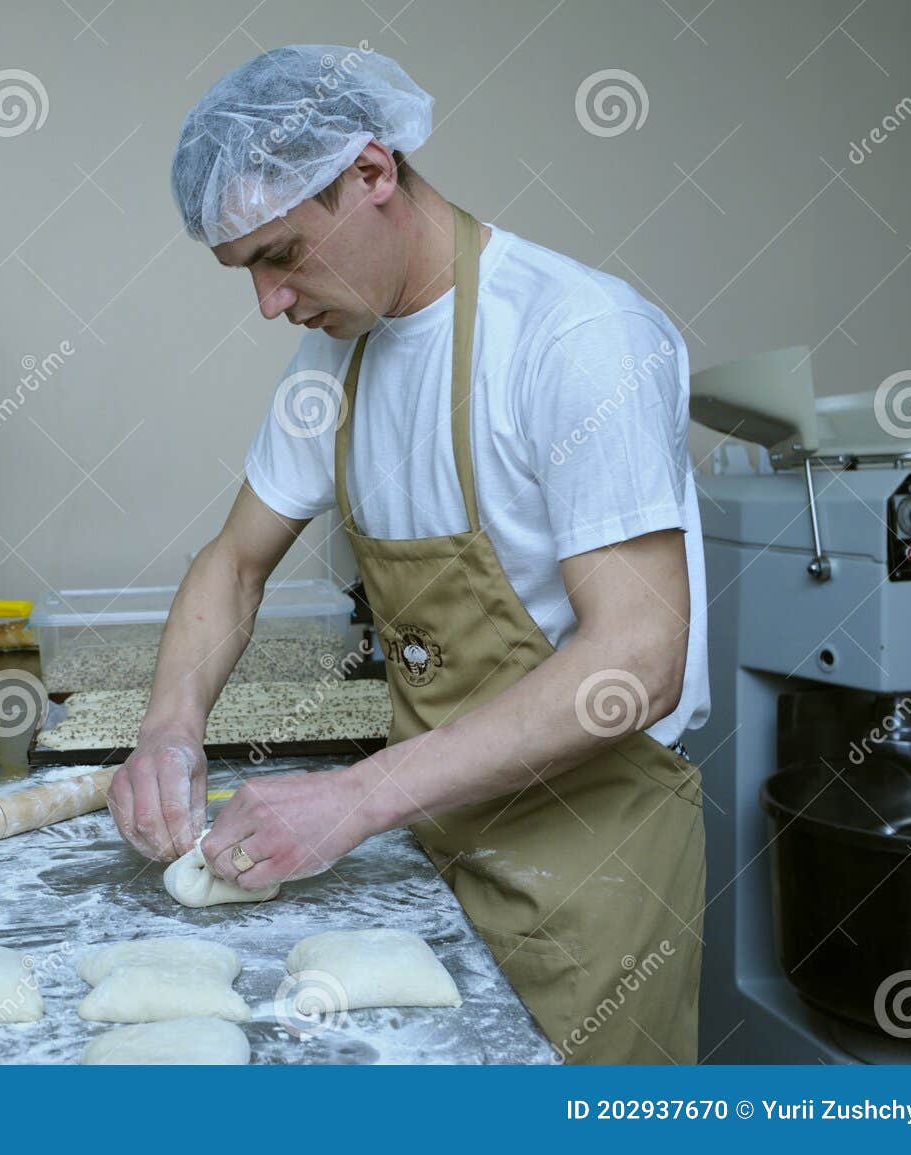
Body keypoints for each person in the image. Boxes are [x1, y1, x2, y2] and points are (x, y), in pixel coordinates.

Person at [107, 45, 708, 1064]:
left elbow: (637, 658)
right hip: (430, 840)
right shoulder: (336, 355)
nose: (267, 302)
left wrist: (355, 795)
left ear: (373, 174)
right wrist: (170, 726)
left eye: (282, 254)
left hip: (589, 861)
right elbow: (234, 563)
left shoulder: (577, 338)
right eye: (244, 269)